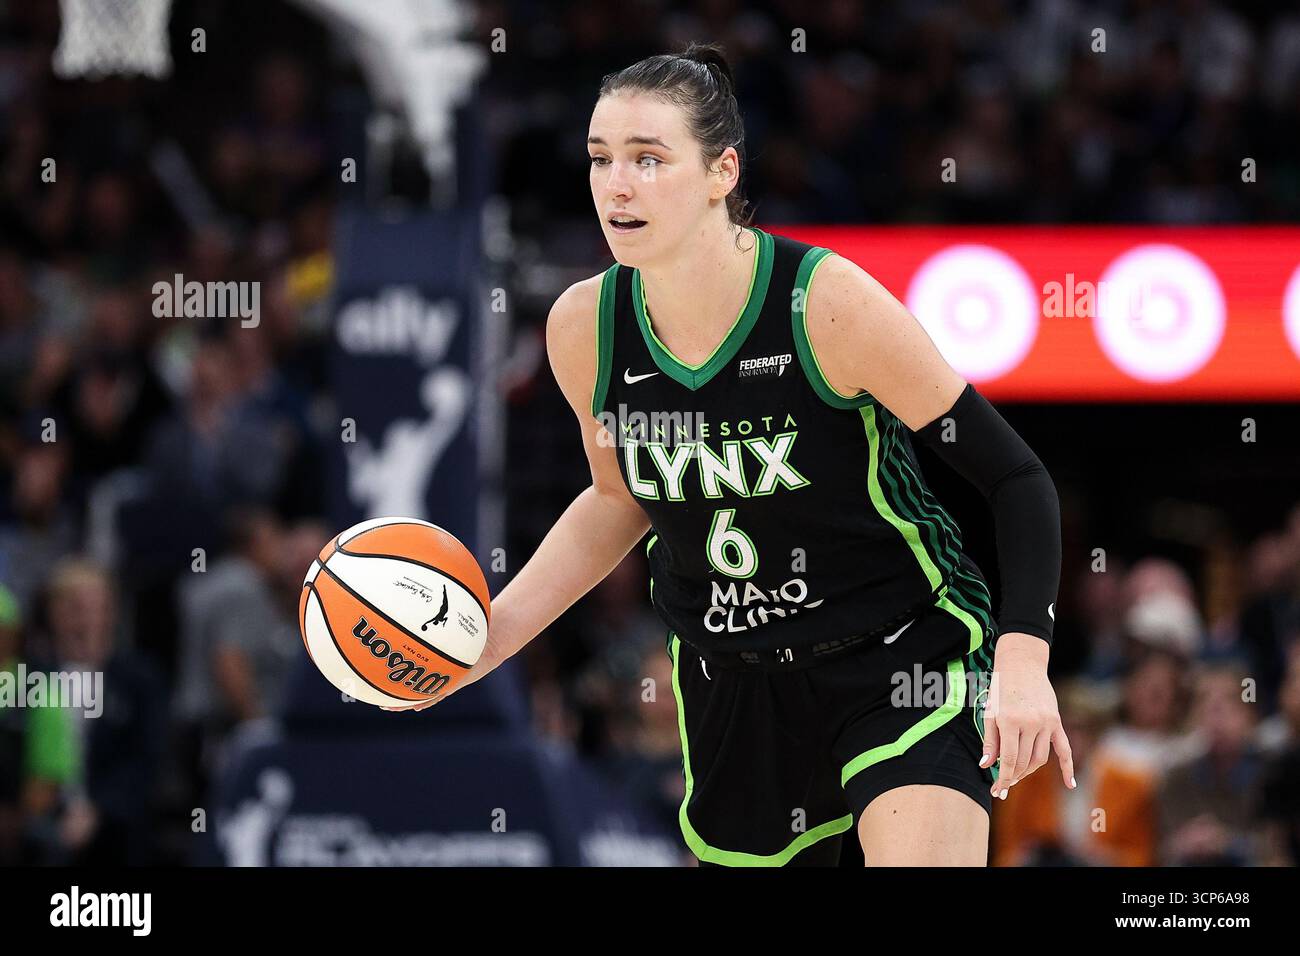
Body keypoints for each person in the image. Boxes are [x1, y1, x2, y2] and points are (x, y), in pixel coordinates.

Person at [391, 42, 1070, 867]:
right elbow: (618, 500)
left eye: (650, 159)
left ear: (722, 172)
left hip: (899, 654)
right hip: (732, 685)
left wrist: (1025, 658)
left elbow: (1015, 477)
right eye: (602, 159)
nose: (617, 184)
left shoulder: (824, 305)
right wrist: (494, 636)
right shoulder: (583, 328)